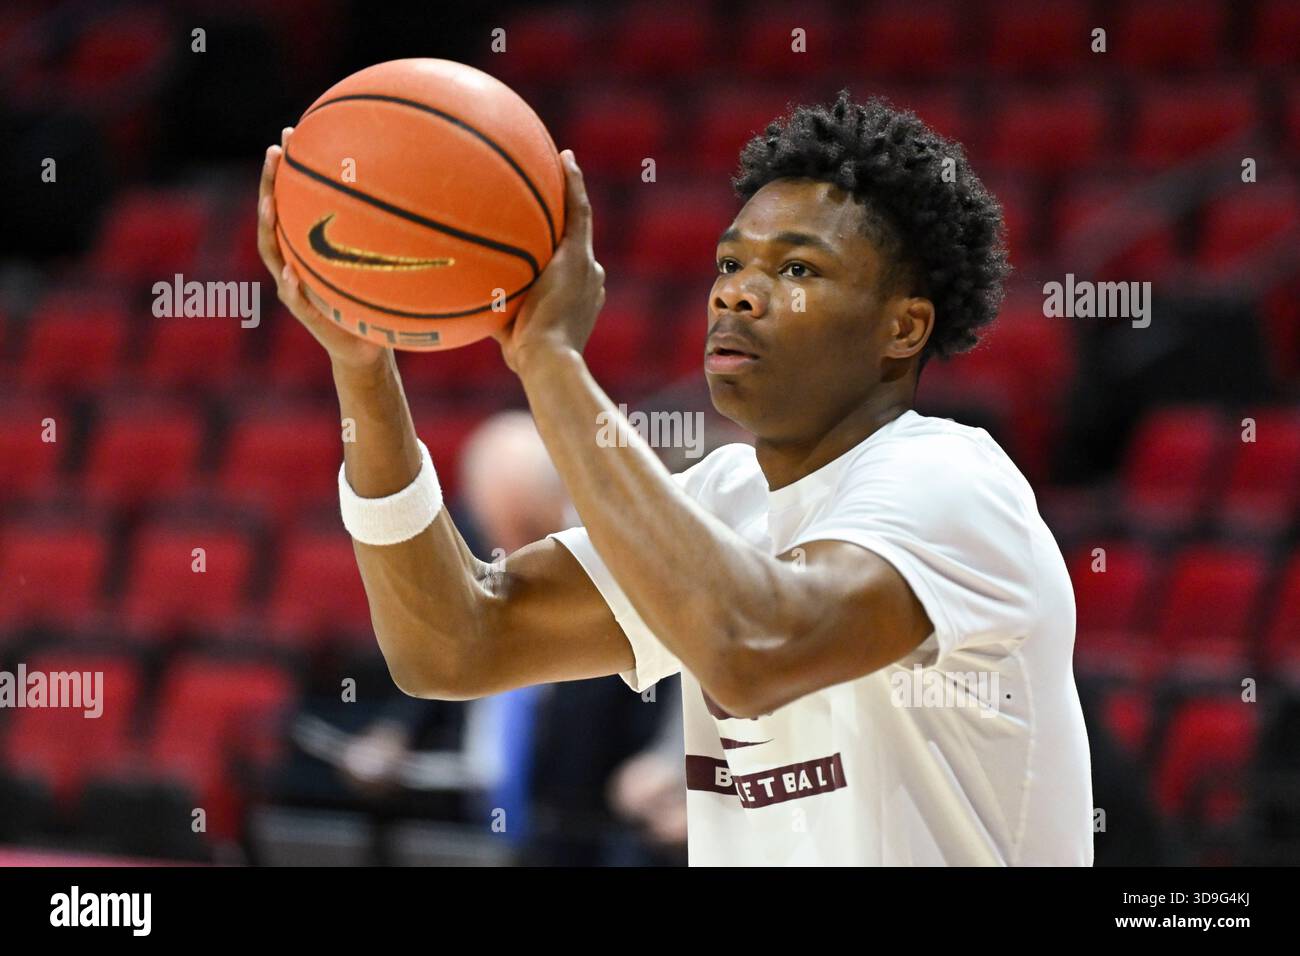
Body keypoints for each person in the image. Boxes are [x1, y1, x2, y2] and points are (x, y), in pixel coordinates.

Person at [256, 90, 1094, 866]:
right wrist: (362, 366)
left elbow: (756, 648)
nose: (738, 296)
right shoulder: (724, 495)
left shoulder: (952, 481)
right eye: (731, 265)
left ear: (903, 328)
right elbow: (453, 644)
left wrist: (548, 363)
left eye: (797, 270)